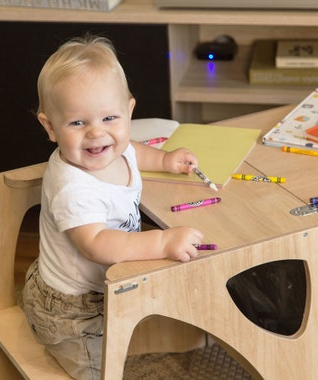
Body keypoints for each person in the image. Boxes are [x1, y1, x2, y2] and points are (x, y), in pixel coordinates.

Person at [22, 35, 204, 380]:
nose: (96, 133)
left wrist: (166, 160)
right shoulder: (73, 187)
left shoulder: (115, 145)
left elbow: (134, 149)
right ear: (50, 127)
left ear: (128, 113)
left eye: (109, 118)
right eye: (77, 123)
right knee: (96, 370)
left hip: (101, 285)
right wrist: (162, 242)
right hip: (73, 309)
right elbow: (97, 244)